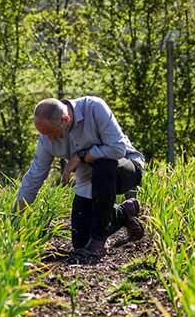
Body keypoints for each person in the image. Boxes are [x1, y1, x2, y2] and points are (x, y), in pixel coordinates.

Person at [15, 97, 146, 264]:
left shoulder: (94, 107)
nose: (48, 139)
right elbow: (35, 175)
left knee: (103, 165)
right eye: (43, 134)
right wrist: (15, 216)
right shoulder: (46, 137)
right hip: (87, 180)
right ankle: (123, 212)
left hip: (124, 167)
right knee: (80, 243)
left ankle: (98, 242)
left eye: (51, 134)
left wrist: (81, 155)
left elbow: (117, 148)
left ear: (65, 120)